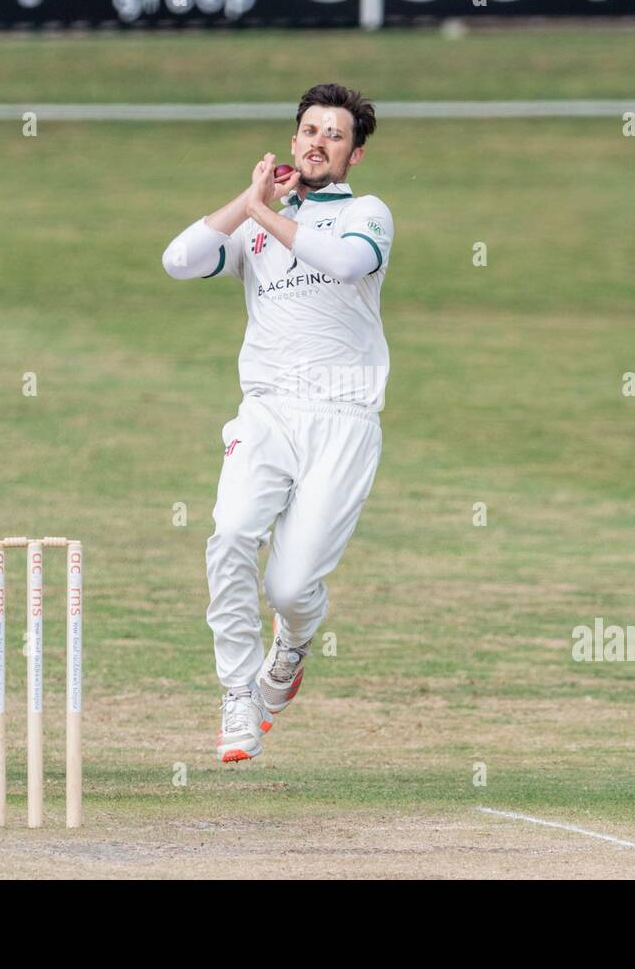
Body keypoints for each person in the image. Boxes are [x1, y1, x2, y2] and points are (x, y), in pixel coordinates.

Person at [161, 83, 395, 762]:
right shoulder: (257, 224)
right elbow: (178, 260)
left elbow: (346, 261)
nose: (319, 142)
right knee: (230, 533)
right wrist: (249, 202)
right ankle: (238, 693)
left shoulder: (368, 213)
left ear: (354, 154)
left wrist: (267, 213)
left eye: (336, 135)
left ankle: (292, 640)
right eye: (310, 130)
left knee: (289, 587)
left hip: (344, 415)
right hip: (266, 409)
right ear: (292, 141)